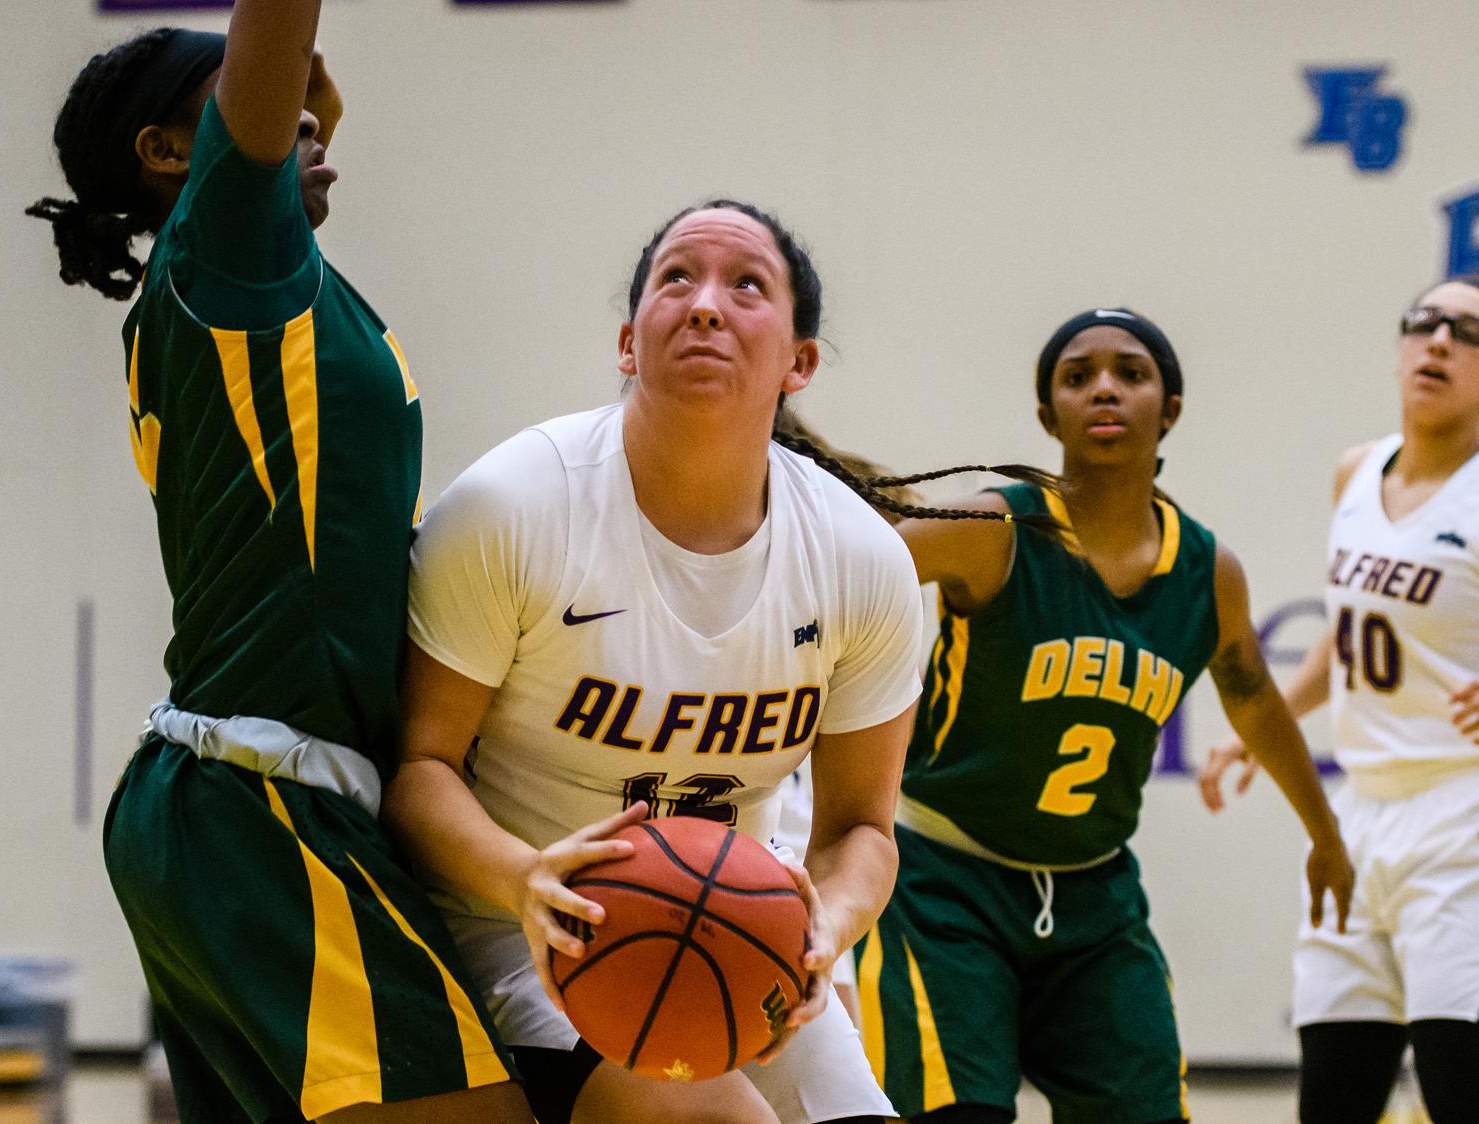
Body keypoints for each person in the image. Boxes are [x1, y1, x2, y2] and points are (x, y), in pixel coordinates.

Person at [388, 199, 1036, 1124]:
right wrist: (525, 883)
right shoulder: (515, 504)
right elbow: (419, 773)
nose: (704, 305)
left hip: (737, 925)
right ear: (627, 341)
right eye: (676, 279)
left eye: (746, 286)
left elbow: (861, 830)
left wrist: (823, 932)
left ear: (799, 363)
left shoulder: (860, 560)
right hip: (515, 925)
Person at [27, 4, 523, 1120]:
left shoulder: (254, 290)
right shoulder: (225, 256)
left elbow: (300, 82)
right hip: (260, 807)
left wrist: (305, 95)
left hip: (243, 804)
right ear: (168, 153)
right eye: (261, 95)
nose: (304, 115)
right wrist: (279, 66)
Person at [851, 308, 1352, 1124]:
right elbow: (843, 582)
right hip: (946, 883)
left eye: (1131, 371)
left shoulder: (1208, 571)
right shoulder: (994, 527)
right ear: (1049, 416)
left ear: (1172, 406)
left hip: (1095, 899)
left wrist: (1326, 838)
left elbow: (1254, 697)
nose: (1105, 388)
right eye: (1077, 377)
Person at [1201, 280, 1479, 1123]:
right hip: (1363, 813)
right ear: (1398, 349)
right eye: (1423, 325)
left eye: (1467, 332)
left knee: (1466, 1089)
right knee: (1335, 1096)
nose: (1438, 342)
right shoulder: (1356, 471)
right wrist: (1257, 729)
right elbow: (1351, 639)